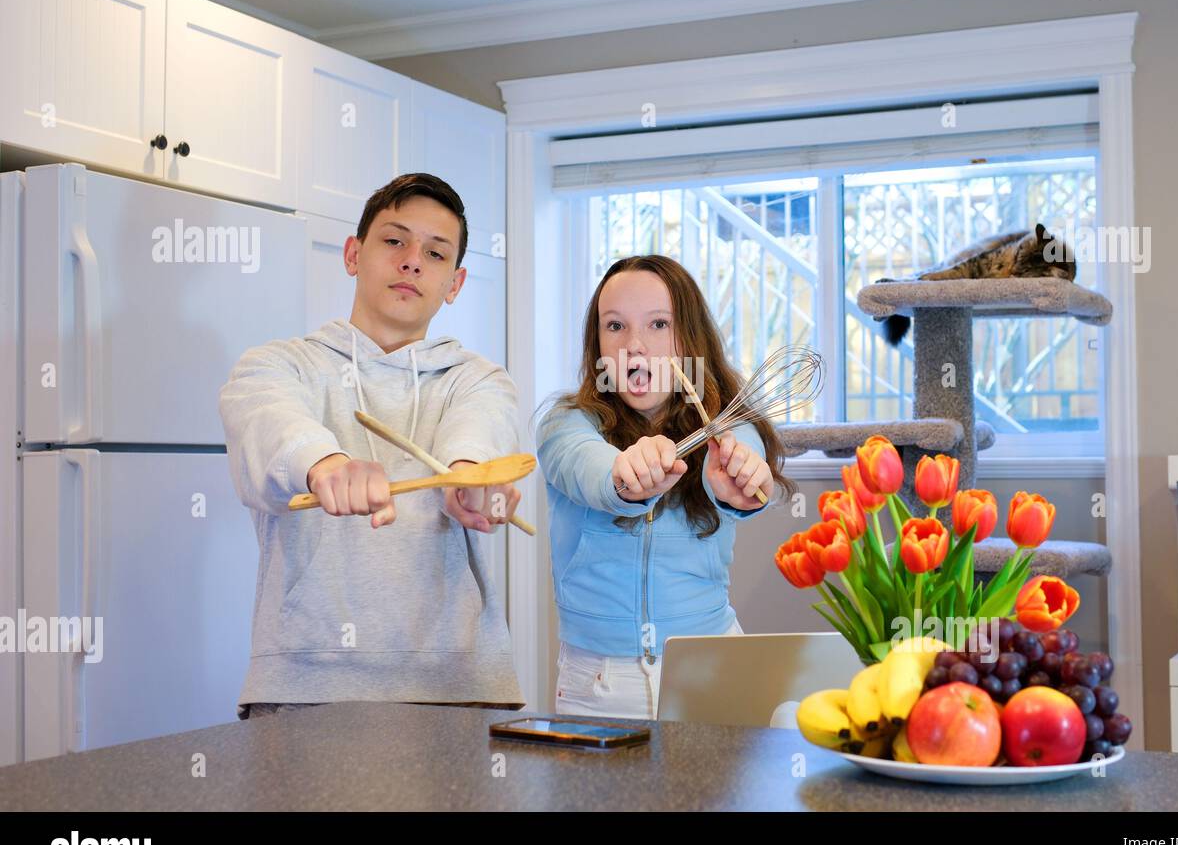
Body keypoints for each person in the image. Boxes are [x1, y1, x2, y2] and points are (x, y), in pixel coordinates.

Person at [218, 173, 524, 718]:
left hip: (457, 686)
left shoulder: (478, 379)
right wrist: (325, 464)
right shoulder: (277, 364)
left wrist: (472, 482)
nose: (412, 261)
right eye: (394, 241)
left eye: (434, 253)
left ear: (454, 283)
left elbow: (479, 434)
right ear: (353, 254)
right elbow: (271, 423)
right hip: (304, 685)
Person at [536, 254, 795, 718]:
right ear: (597, 343)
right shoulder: (566, 425)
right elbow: (586, 465)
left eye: (659, 324)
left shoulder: (727, 427)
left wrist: (742, 484)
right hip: (597, 684)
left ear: (690, 337)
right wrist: (625, 476)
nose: (635, 346)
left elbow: (748, 461)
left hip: (714, 668)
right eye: (615, 326)